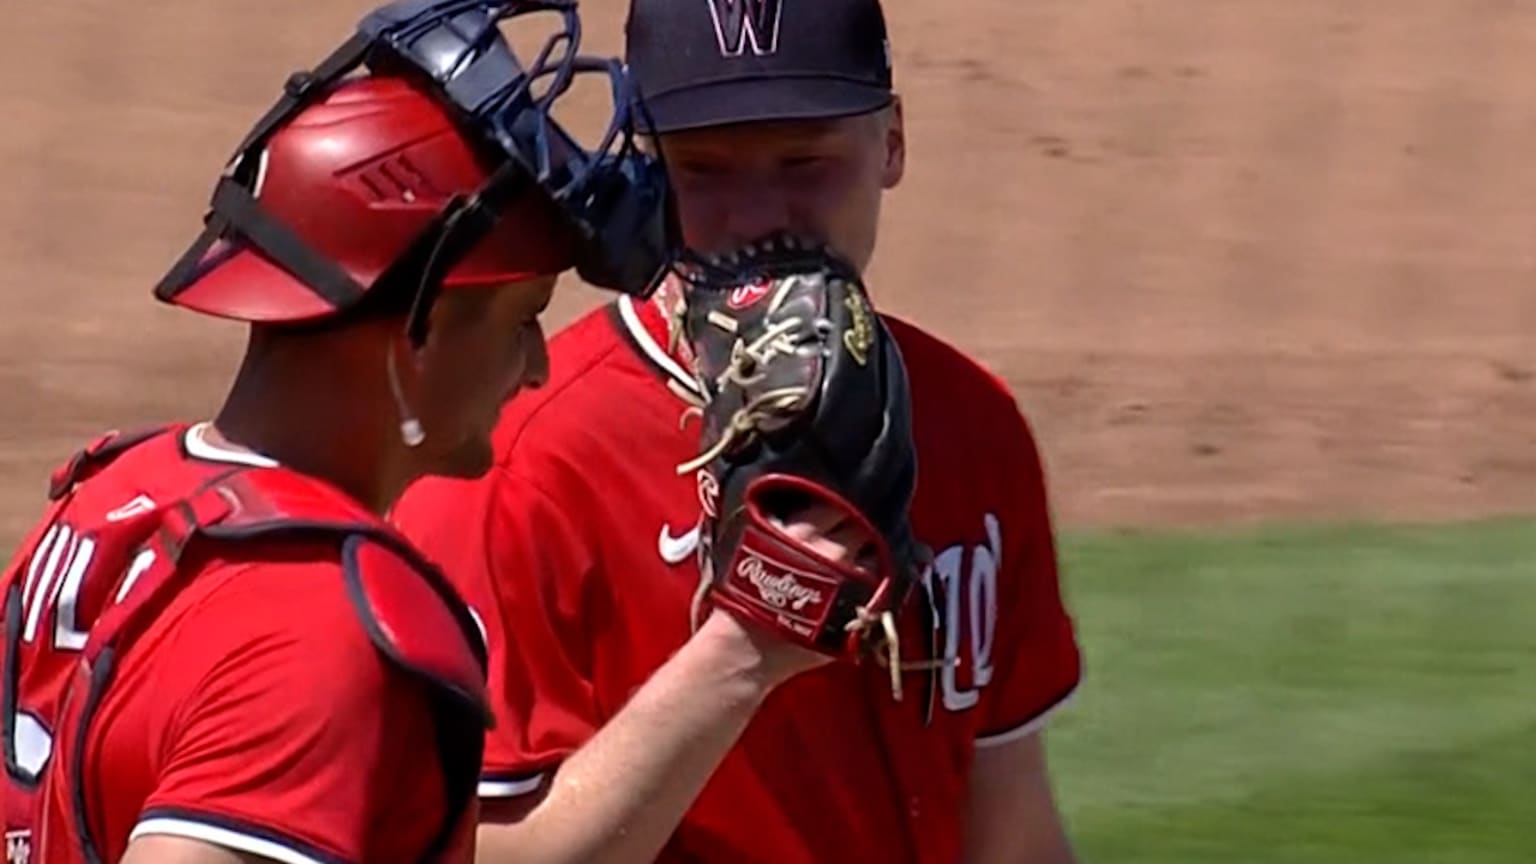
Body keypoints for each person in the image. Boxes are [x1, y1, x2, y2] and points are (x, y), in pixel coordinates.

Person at [390, 0, 1085, 861]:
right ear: (643, 169)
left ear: (893, 141)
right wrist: (742, 652)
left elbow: (1010, 827)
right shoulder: (520, 463)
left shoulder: (972, 423)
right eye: (704, 169)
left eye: (805, 161)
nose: (759, 216)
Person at [0, 2, 674, 861]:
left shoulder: (112, 498)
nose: (537, 368)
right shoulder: (319, 628)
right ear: (418, 330)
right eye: (522, 320)